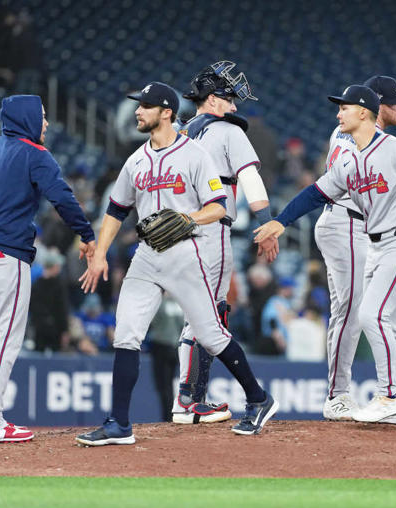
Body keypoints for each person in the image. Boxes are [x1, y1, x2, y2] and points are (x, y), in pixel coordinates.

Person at [75, 82, 277, 446]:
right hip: (146, 256)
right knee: (126, 334)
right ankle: (119, 423)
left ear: (166, 112)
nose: (138, 111)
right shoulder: (136, 160)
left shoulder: (195, 155)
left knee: (211, 335)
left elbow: (218, 206)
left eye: (145, 106)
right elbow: (116, 210)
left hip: (186, 254)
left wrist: (187, 219)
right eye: (139, 105)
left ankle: (258, 397)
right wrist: (100, 253)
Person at [255, 85, 396, 423]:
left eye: (344, 108)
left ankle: (389, 396)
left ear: (364, 112)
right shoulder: (350, 161)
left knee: (371, 315)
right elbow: (315, 192)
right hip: (373, 244)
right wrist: (280, 222)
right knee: (385, 322)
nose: (338, 114)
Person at [0, 94, 96, 444]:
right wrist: (86, 234)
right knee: (5, 341)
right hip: (5, 258)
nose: (46, 123)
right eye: (42, 115)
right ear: (26, 118)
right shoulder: (35, 154)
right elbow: (62, 197)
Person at [315, 75, 396, 424]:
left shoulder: (385, 144)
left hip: (370, 229)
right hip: (346, 222)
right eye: (395, 101)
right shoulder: (350, 136)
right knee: (354, 311)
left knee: (385, 320)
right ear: (374, 106)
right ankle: (338, 395)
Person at [173, 60, 279, 424]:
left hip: (179, 231)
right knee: (209, 314)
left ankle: (190, 398)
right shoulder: (228, 131)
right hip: (211, 229)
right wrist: (267, 224)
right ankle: (190, 399)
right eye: (229, 98)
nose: (234, 106)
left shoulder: (179, 135)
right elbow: (250, 180)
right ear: (213, 99)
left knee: (196, 314)